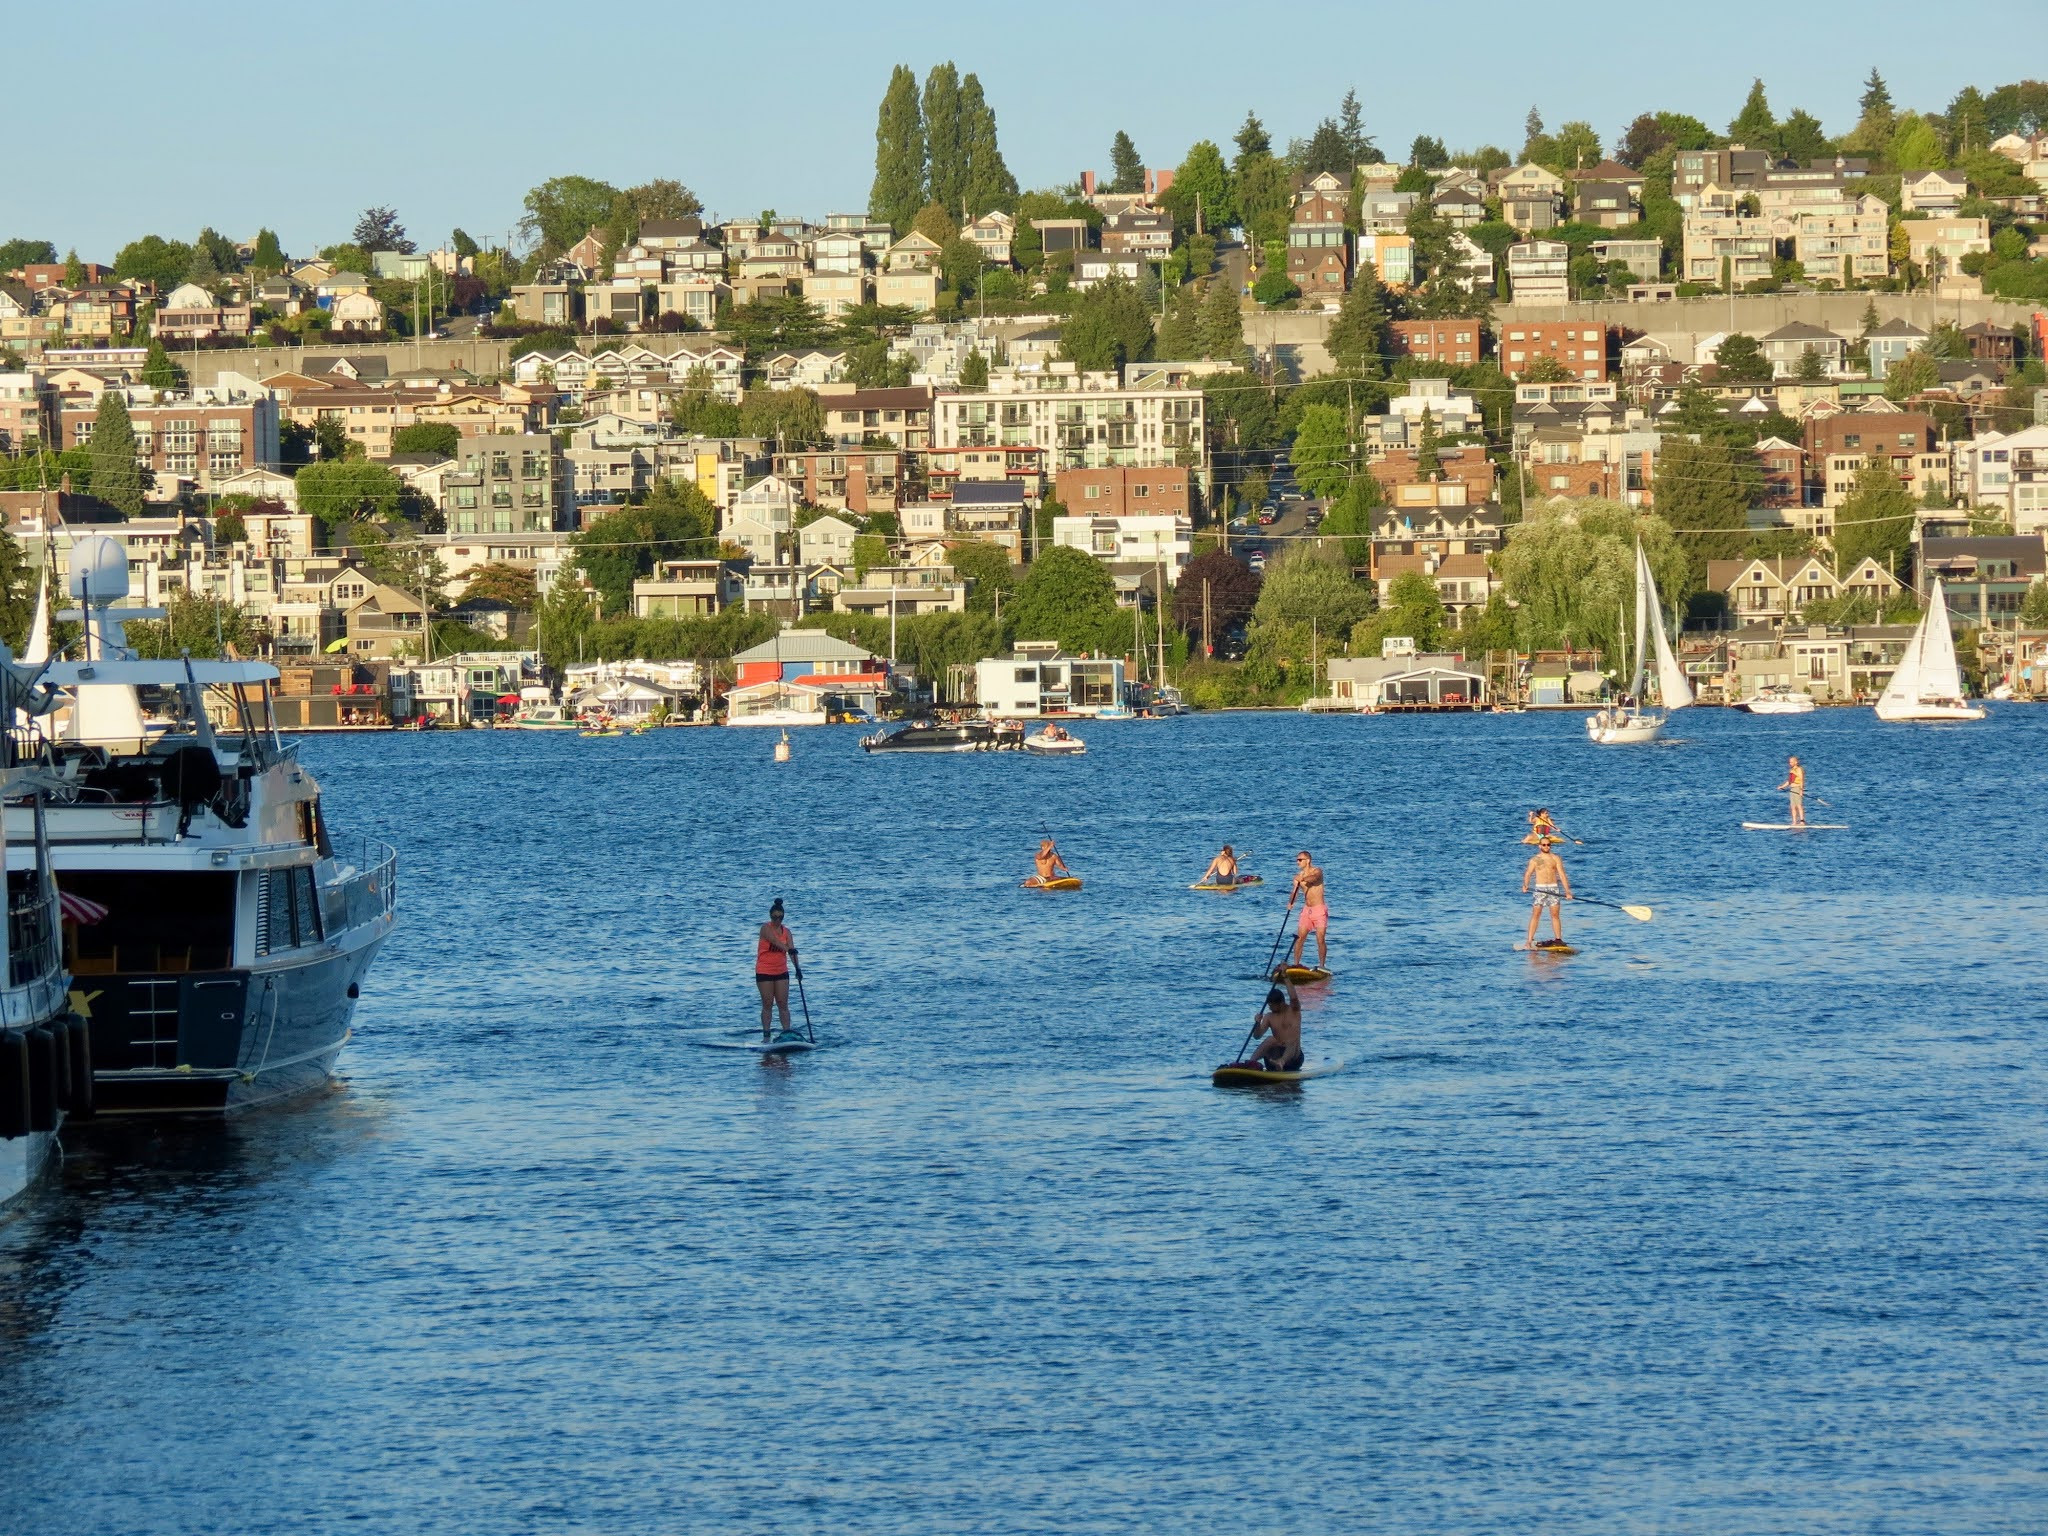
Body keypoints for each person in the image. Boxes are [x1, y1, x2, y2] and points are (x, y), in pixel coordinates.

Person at [755, 899, 797, 1040]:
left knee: (782, 1003)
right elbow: (775, 942)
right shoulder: (765, 928)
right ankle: (766, 1035)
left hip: (781, 971)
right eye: (774, 917)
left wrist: (798, 968)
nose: (777, 920)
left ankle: (787, 1032)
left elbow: (792, 951)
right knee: (767, 1003)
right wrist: (788, 950)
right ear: (770, 916)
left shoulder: (787, 932)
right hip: (764, 971)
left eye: (780, 917)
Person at [1244, 976, 1304, 1072]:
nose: (1270, 1008)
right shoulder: (1269, 1016)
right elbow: (1257, 1036)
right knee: (1270, 1039)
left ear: (1281, 1003)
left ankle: (1281, 1062)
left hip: (1293, 1060)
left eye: (1272, 1006)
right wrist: (1257, 1024)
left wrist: (1285, 976)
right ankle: (1251, 1063)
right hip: (1273, 1060)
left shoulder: (1294, 1011)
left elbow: (1293, 998)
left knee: (1292, 1041)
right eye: (1269, 1005)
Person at [1522, 841, 1573, 949]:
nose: (1546, 846)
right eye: (1544, 845)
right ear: (1540, 846)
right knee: (1536, 914)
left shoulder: (1555, 858)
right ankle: (1529, 941)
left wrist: (1567, 891)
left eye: (1548, 844)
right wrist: (1525, 885)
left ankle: (1558, 939)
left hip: (1553, 888)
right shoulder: (1535, 859)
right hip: (1540, 889)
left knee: (1555, 915)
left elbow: (1562, 875)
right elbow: (1528, 873)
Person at [1289, 850, 1328, 970]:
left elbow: (1313, 878)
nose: (1298, 862)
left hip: (1319, 910)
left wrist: (1302, 879)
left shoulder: (1317, 871)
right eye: (1297, 860)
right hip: (1306, 910)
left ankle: (1322, 965)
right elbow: (1294, 893)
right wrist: (1291, 903)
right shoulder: (1298, 877)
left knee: (1320, 938)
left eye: (1300, 860)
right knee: (1300, 938)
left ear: (1308, 861)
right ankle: (1296, 964)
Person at [1778, 754, 1806, 829]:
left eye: (1791, 762)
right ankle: (1794, 822)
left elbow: (1802, 780)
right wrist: (1782, 786)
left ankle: (1802, 821)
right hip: (1792, 789)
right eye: (1789, 762)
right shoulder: (1791, 770)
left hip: (1797, 788)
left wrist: (1801, 790)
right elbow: (1789, 781)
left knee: (1799, 805)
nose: (1790, 763)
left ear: (1796, 762)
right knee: (1792, 806)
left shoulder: (1799, 769)